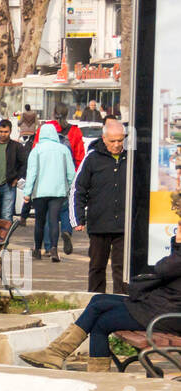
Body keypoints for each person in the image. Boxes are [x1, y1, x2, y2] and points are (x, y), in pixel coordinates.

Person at [21, 227, 181, 372]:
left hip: (165, 315)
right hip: (158, 307)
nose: (177, 230)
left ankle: (60, 355)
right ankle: (56, 353)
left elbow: (163, 268)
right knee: (98, 300)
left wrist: (178, 244)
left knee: (101, 321)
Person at [73, 118, 127, 294]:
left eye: (121, 140)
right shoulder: (92, 158)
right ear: (104, 139)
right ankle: (95, 301)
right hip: (99, 223)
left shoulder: (131, 158)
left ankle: (122, 304)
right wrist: (78, 218)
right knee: (97, 267)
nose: (117, 144)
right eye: (113, 141)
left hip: (124, 226)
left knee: (122, 270)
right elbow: (78, 188)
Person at [23, 122, 76, 262]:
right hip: (58, 191)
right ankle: (54, 249)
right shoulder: (63, 149)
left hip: (40, 192)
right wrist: (71, 187)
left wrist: (27, 193)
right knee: (53, 220)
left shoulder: (37, 150)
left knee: (40, 221)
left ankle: (37, 250)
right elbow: (71, 172)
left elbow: (32, 173)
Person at [44, 102, 85, 255]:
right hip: (67, 178)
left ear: (54, 113)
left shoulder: (47, 129)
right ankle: (67, 231)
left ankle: (49, 247)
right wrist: (76, 175)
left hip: (47, 178)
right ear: (68, 113)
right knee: (67, 209)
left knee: (49, 214)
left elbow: (37, 149)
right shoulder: (74, 131)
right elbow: (80, 156)